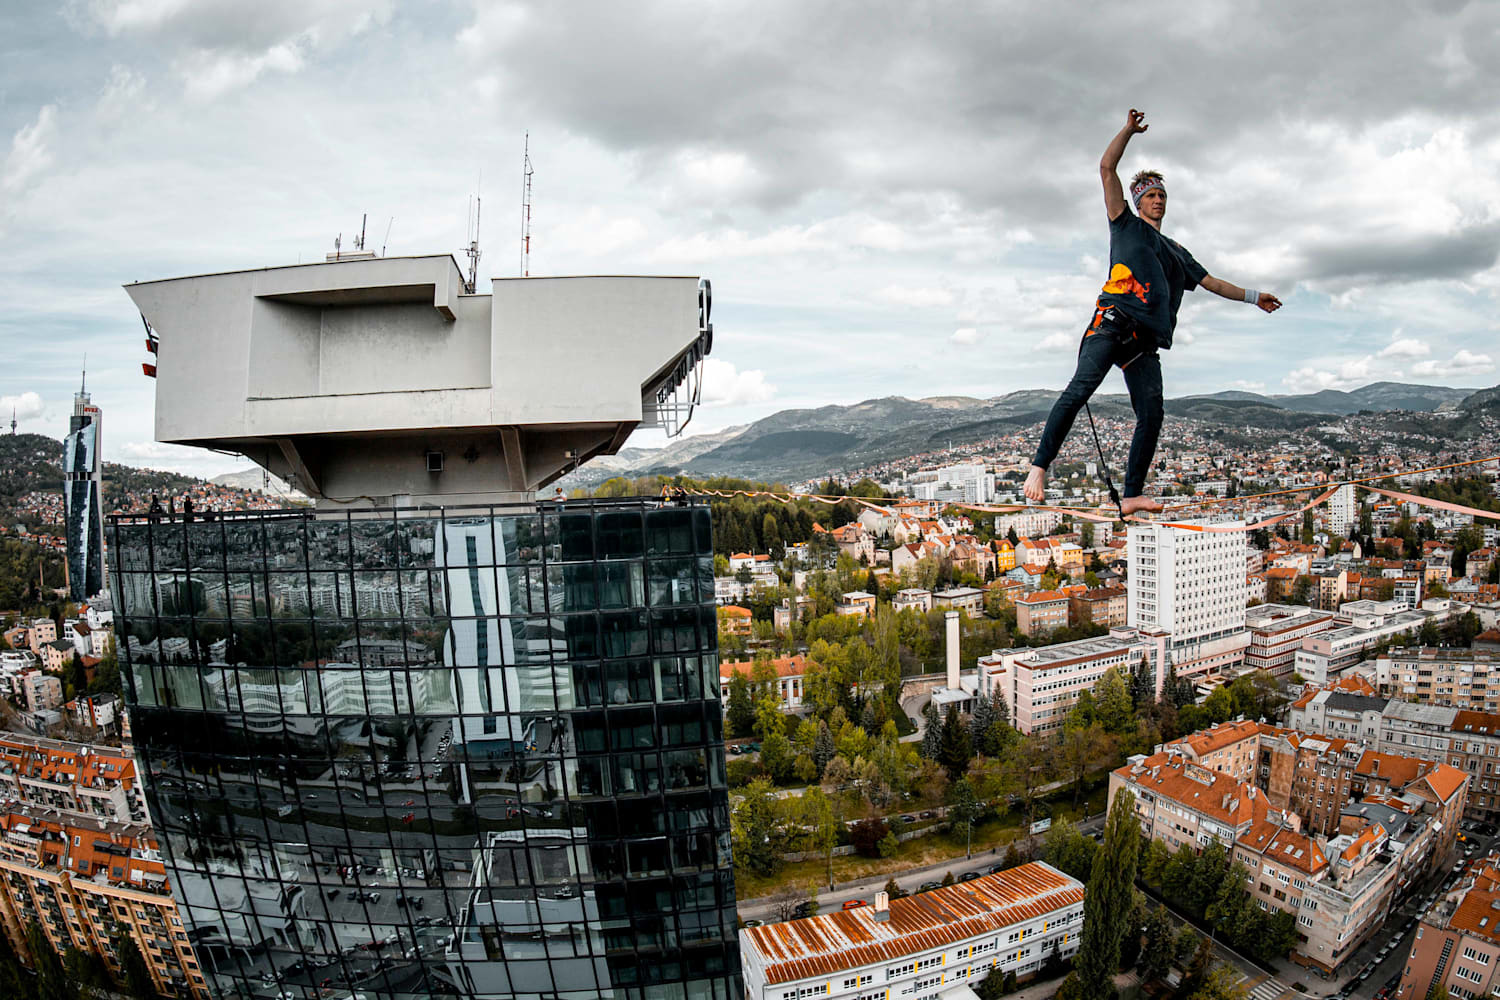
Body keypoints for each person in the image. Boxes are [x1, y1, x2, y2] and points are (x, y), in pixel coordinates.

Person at [1024, 109, 1281, 515]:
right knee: (1079, 390)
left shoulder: (1177, 252)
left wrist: (1254, 296)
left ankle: (1131, 495)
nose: (1157, 200)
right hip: (1110, 325)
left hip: (1143, 342)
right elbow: (1107, 167)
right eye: (1150, 195)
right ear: (1139, 201)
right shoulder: (1125, 224)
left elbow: (1213, 283)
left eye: (1162, 195)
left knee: (1152, 413)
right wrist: (1128, 131)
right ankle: (1038, 468)